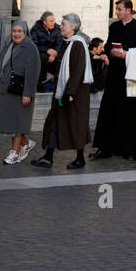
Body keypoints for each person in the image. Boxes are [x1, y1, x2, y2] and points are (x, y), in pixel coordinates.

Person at [91, 0, 136, 161]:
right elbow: (109, 45)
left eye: (119, 9)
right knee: (109, 110)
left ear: (128, 10)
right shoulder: (114, 27)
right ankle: (105, 147)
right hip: (115, 75)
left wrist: (127, 54)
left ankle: (131, 148)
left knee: (130, 113)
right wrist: (109, 52)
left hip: (131, 76)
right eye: (116, 9)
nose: (116, 12)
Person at [33, 14, 93, 170]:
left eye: (64, 24)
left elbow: (77, 71)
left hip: (74, 96)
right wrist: (52, 59)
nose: (60, 26)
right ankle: (48, 157)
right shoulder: (66, 43)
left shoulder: (78, 45)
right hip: (62, 94)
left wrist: (69, 94)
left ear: (73, 27)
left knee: (76, 124)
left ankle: (80, 158)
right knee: (54, 122)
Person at [0, 20, 40, 165]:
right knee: (12, 123)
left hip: (20, 92)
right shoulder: (8, 46)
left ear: (25, 32)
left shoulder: (31, 49)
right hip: (7, 91)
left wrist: (28, 93)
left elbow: (32, 73)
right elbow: (0, 70)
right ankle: (26, 143)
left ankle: (14, 153)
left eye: (20, 31)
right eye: (14, 31)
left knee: (17, 123)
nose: (16, 34)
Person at [29, 10, 63, 91]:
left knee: (61, 57)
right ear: (44, 22)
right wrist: (47, 50)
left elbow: (60, 43)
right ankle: (41, 81)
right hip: (41, 53)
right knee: (42, 57)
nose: (53, 22)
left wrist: (54, 53)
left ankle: (58, 81)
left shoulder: (57, 29)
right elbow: (34, 45)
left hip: (54, 53)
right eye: (51, 21)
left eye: (54, 20)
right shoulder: (35, 29)